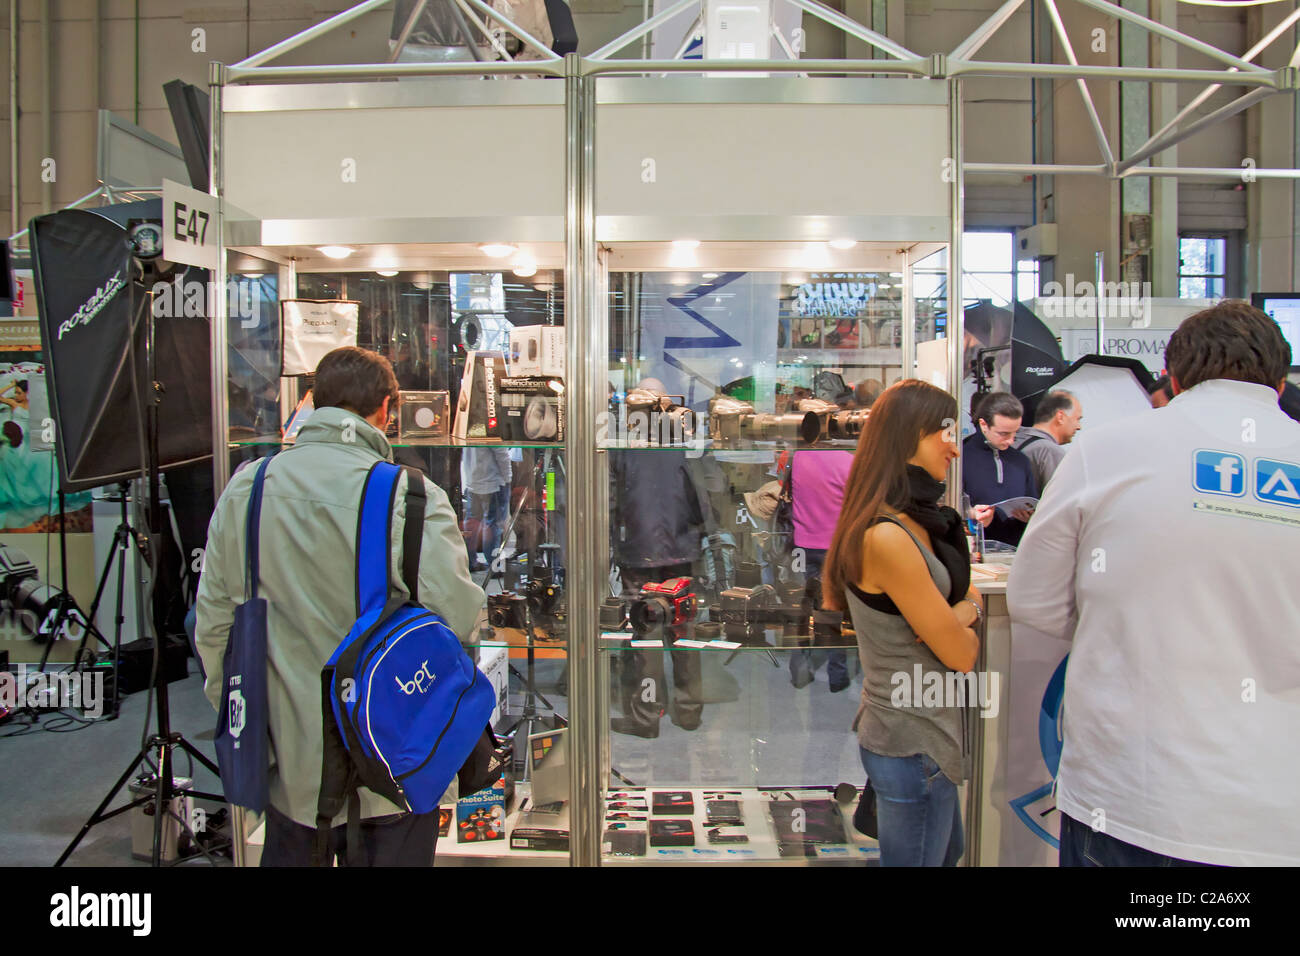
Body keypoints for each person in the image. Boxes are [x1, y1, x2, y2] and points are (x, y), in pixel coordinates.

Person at [1007, 300, 1300, 867]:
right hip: (1277, 808)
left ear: (1175, 376)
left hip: (1132, 796)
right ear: (1282, 379)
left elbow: (1035, 601)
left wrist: (1120, 622)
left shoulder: (1105, 451)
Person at [196, 347, 484, 866]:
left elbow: (216, 628)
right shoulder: (411, 496)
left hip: (287, 769)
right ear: (387, 409)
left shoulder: (248, 488)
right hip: (393, 769)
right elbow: (457, 627)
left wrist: (252, 741)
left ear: (311, 402)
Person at [823, 379, 984, 867]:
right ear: (912, 434)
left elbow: (968, 596)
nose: (954, 447)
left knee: (945, 852)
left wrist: (962, 611)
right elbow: (961, 654)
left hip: (921, 735)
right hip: (911, 740)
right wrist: (964, 616)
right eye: (945, 432)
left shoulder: (915, 520)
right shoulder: (889, 535)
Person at [788, 448, 854, 692]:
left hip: (803, 544)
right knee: (832, 609)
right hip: (833, 546)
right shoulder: (847, 461)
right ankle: (837, 675)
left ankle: (799, 672)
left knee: (802, 609)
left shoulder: (799, 456)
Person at [962, 391, 1037, 546]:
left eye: (1015, 433)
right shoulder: (961, 458)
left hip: (1015, 551)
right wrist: (970, 514)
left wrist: (1029, 516)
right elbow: (947, 509)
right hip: (974, 551)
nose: (1010, 440)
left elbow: (1033, 502)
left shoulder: (1021, 460)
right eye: (1003, 434)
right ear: (984, 425)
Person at [1012, 390, 1082, 492]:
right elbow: (1059, 499)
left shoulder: (1012, 440)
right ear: (1060, 417)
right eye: (1077, 419)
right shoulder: (1050, 451)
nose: (1079, 427)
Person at [462, 446, 512, 571]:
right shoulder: (491, 431)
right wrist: (508, 478)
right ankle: (494, 565)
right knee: (493, 525)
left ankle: (469, 562)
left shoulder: (468, 430)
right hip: (493, 483)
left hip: (473, 483)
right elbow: (502, 453)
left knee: (472, 524)